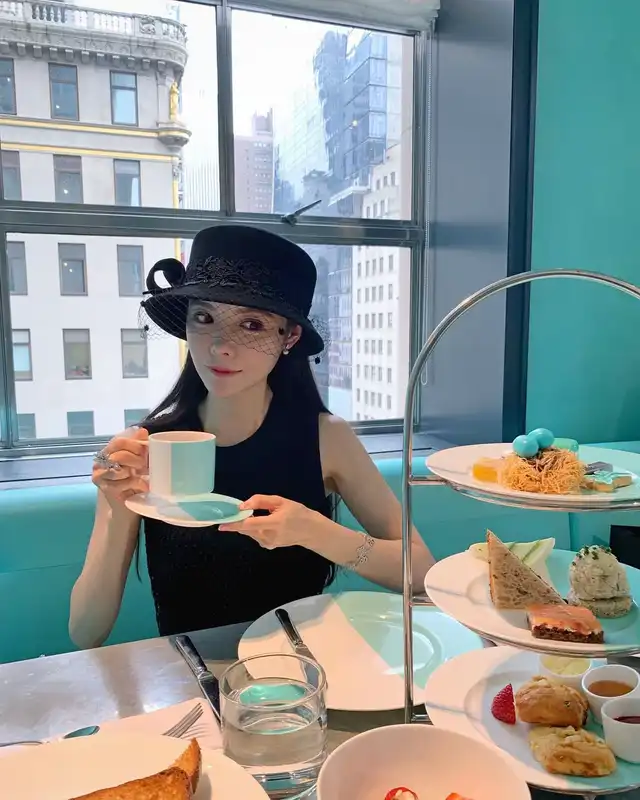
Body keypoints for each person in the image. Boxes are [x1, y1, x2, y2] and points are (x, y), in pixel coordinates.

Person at [69, 225, 434, 649]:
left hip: (306, 673)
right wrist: (117, 506)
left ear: (289, 337)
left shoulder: (325, 437)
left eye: (252, 324)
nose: (221, 346)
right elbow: (85, 631)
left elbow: (421, 570)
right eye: (204, 317)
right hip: (192, 675)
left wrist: (317, 532)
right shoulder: (147, 448)